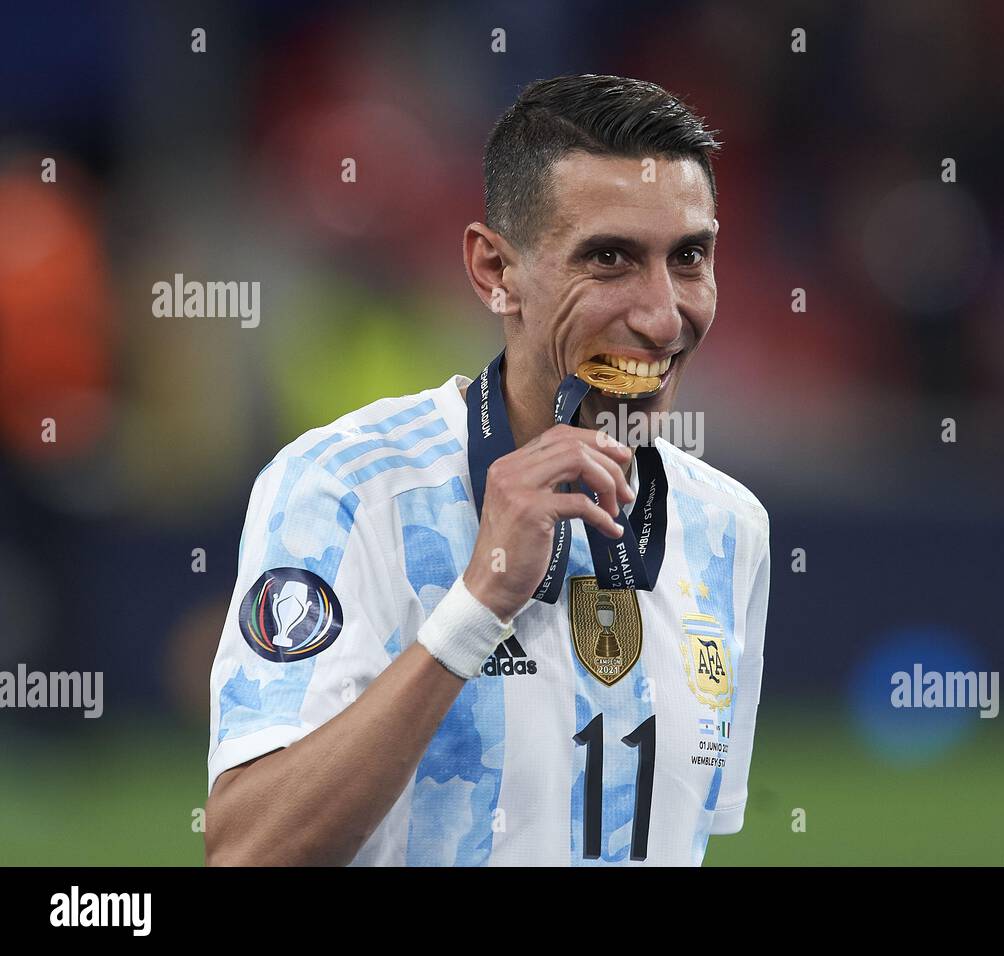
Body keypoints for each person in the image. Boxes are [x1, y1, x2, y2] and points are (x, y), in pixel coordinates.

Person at [204, 74, 770, 866]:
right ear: (494, 271)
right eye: (609, 259)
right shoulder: (344, 490)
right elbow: (247, 853)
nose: (662, 314)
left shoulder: (726, 527)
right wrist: (477, 603)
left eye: (688, 257)